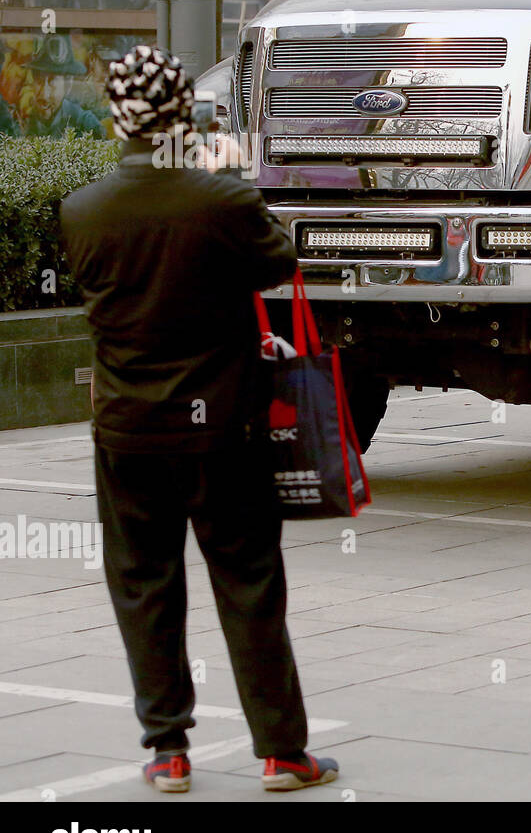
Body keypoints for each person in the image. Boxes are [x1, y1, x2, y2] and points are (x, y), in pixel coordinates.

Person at [59, 45, 340, 794]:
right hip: (225, 427)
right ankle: (282, 753)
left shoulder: (82, 212)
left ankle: (166, 750)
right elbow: (279, 264)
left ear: (119, 116)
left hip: (125, 429)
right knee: (248, 579)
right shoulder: (222, 202)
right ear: (185, 111)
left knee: (144, 582)